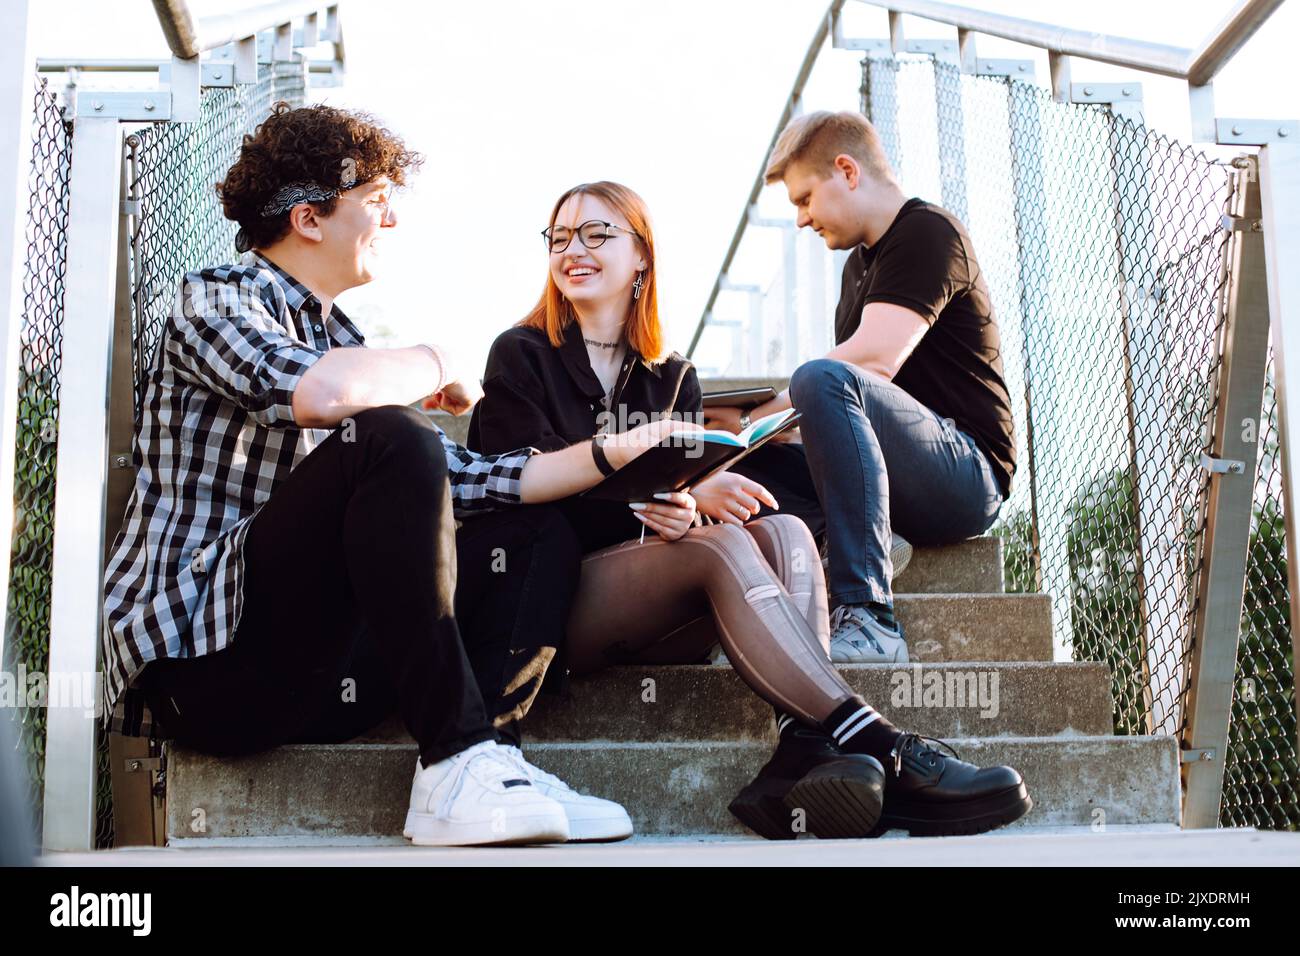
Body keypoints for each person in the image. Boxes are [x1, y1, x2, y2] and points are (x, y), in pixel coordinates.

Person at [99, 103, 703, 848]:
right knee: (392, 433)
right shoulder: (216, 295)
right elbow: (319, 394)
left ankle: (483, 762)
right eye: (377, 203)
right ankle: (456, 755)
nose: (390, 223)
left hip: (319, 675)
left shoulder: (345, 348)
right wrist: (435, 363)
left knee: (532, 529)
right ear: (311, 219)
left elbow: (490, 481)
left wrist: (629, 454)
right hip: (206, 669)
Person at [468, 181, 1032, 839]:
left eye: (597, 234)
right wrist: (660, 504)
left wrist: (694, 499)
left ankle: (802, 753)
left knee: (786, 528)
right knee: (723, 545)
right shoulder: (521, 354)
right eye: (560, 237)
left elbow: (672, 499)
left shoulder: (670, 377)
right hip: (557, 601)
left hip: (657, 598)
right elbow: (522, 494)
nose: (574, 250)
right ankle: (880, 744)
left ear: (641, 257)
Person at [706, 110, 1015, 673]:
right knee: (743, 472)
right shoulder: (856, 271)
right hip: (895, 477)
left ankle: (869, 616)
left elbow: (874, 361)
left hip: (965, 475)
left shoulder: (929, 232)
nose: (801, 219)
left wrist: (761, 417)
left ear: (846, 170)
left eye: (804, 199)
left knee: (817, 380)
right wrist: (744, 442)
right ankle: (834, 561)